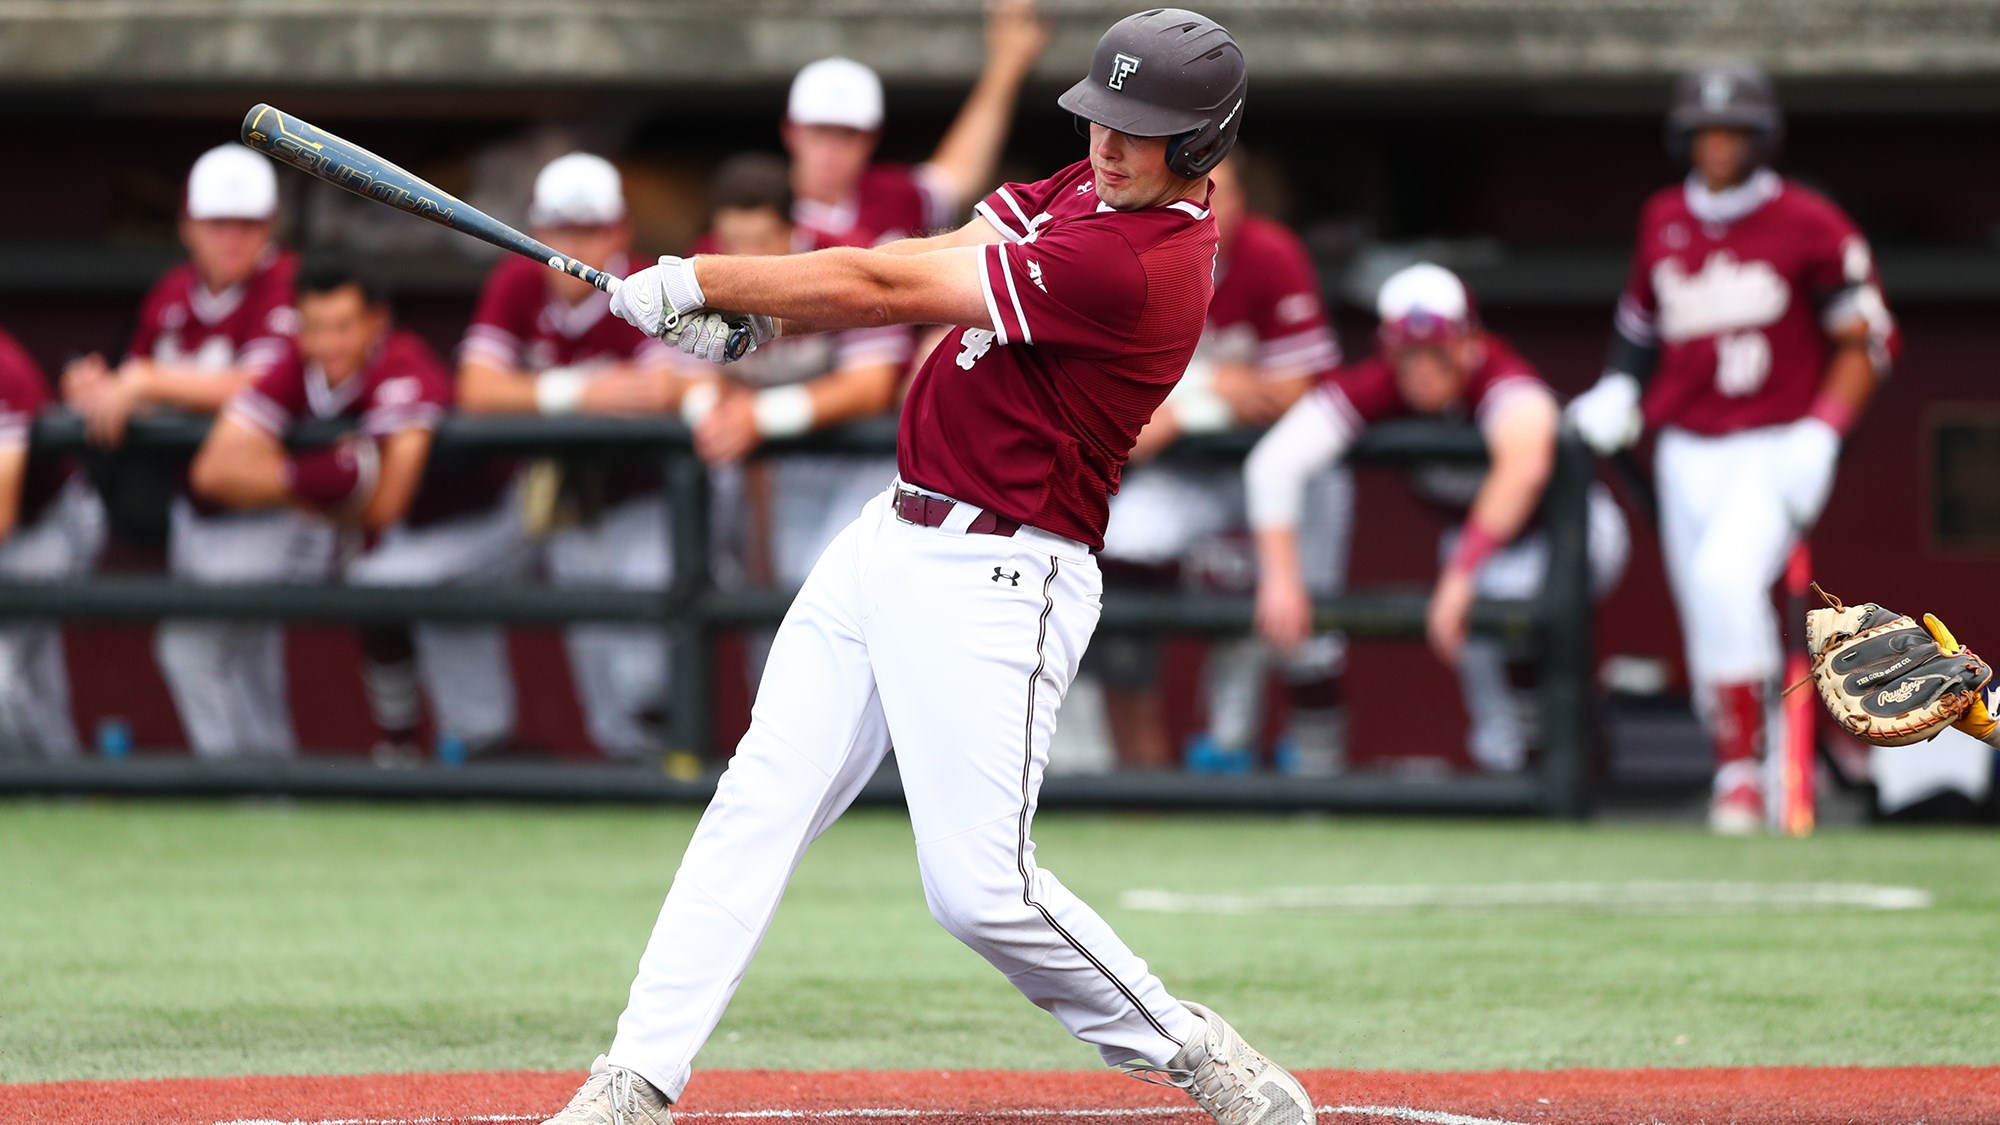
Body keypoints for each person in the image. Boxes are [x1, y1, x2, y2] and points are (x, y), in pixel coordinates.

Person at [541, 12, 1314, 1125]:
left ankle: (1182, 1041)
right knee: (757, 800)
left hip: (1003, 572)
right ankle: (637, 1077)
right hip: (886, 538)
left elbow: (889, 294)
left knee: (978, 893)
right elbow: (922, 257)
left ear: (1203, 143)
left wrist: (706, 275)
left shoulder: (1137, 263)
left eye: (1140, 130)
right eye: (1103, 115)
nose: (1107, 142)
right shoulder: (1087, 189)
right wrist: (750, 308)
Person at [1566, 60, 1899, 832]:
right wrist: (1620, 388)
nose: (1719, 144)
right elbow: (1639, 329)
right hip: (1687, 445)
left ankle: (1750, 778)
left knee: (1725, 580)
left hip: (1776, 440)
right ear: (1685, 136)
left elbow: (1868, 340)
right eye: (1707, 130)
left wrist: (1822, 432)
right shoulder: (1662, 218)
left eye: (1735, 130)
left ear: (1761, 137)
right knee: (1709, 610)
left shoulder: (1810, 221)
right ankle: (1752, 763)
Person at [1247, 264, 1628, 775]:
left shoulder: (1500, 374)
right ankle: (1518, 774)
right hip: (1478, 545)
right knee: (1491, 704)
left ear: (1468, 342)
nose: (1422, 367)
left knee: (1514, 617)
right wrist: (1281, 577)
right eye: (1408, 351)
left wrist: (1461, 574)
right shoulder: (1381, 384)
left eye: (1437, 350)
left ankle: (1566, 766)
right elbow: (1275, 462)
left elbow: (1525, 466)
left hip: (1566, 531)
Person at [1082, 151, 1349, 774]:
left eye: (1215, 189)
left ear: (1237, 201)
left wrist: (1186, 402)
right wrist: (1215, 388)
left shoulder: (1271, 254)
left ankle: (1323, 771)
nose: (1203, 200)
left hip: (1290, 468)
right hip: (1194, 468)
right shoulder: (1137, 251)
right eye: (1190, 186)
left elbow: (1297, 390)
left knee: (1304, 629)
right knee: (1126, 540)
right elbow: (1122, 400)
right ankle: (1142, 766)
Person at [187, 261, 500, 764]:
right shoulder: (296, 365)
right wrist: (314, 477)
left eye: (343, 326)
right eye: (314, 327)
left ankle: (445, 750)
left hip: (476, 520)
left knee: (386, 589)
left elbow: (386, 505)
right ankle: (406, 748)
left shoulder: (404, 362)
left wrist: (291, 474)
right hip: (399, 536)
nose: (327, 343)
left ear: (377, 322)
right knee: (377, 586)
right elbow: (212, 471)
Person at [63, 143, 307, 757]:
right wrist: (101, 385)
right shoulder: (173, 293)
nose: (232, 238)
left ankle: (235, 792)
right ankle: (276, 798)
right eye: (217, 223)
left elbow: (267, 379)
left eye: (247, 223)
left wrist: (145, 380)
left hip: (270, 510)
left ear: (270, 226)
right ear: (187, 226)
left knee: (192, 646)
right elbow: (133, 381)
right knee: (246, 664)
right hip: (196, 511)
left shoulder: (288, 284)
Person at [454, 152, 683, 761]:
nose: (574, 245)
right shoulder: (518, 282)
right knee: (598, 664)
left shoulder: (646, 286)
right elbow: (476, 389)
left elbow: (659, 393)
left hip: (645, 495)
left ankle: (677, 764)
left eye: (590, 229)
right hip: (562, 498)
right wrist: (581, 391)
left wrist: (534, 398)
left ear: (619, 231)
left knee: (646, 662)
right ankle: (625, 778)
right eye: (560, 230)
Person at [677, 154, 911, 597]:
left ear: (792, 230)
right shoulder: (698, 269)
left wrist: (760, 416)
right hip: (755, 460)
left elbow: (870, 386)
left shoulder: (843, 257)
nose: (744, 257)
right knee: (734, 585)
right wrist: (718, 411)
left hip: (851, 458)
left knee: (822, 586)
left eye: (761, 240)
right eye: (732, 240)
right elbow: (680, 379)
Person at [784, 0, 1050, 246]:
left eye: (848, 134)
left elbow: (958, 177)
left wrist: (1006, 65)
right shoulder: (763, 205)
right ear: (791, 132)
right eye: (819, 132)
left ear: (871, 138)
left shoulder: (895, 195)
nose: (832, 148)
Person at [0, 328, 104, 757]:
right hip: (20, 530)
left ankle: (42, 787)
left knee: (5, 679)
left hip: (42, 526)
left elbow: (2, 512)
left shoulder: (5, 368)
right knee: (32, 674)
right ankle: (63, 788)